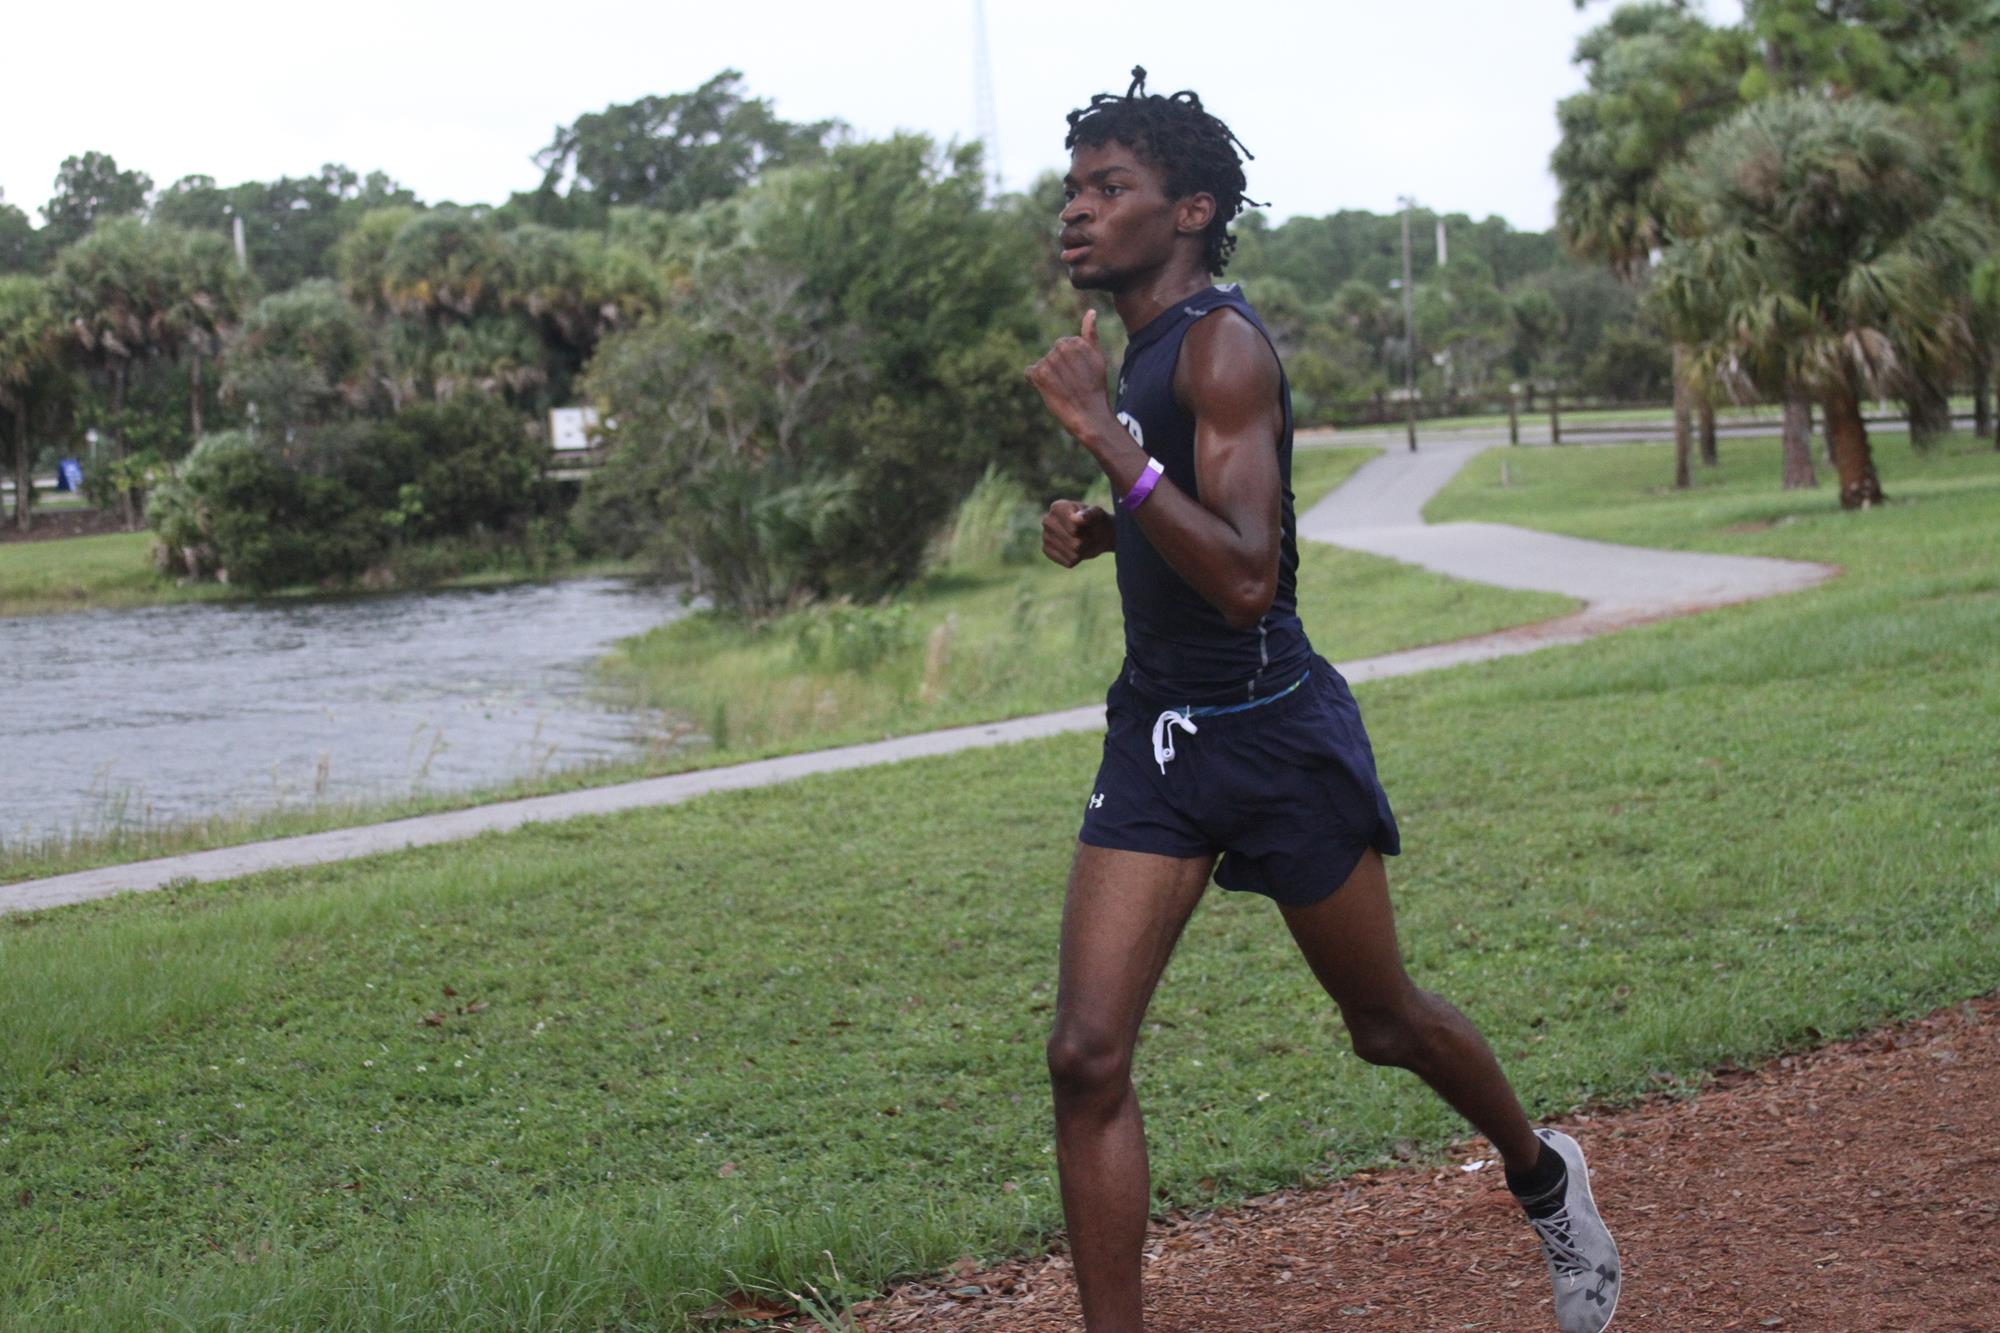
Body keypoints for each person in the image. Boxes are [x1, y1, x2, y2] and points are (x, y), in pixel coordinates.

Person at [1023, 68, 1620, 1333]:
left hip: (1270, 731)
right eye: (1071, 188)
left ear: (1187, 210)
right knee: (1084, 1056)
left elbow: (1245, 575)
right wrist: (1103, 524)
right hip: (1158, 736)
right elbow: (1178, 523)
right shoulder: (1129, 351)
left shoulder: (1222, 344)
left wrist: (1111, 455)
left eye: (1106, 188)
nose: (1074, 211)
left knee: (1384, 1021)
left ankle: (1538, 1169)